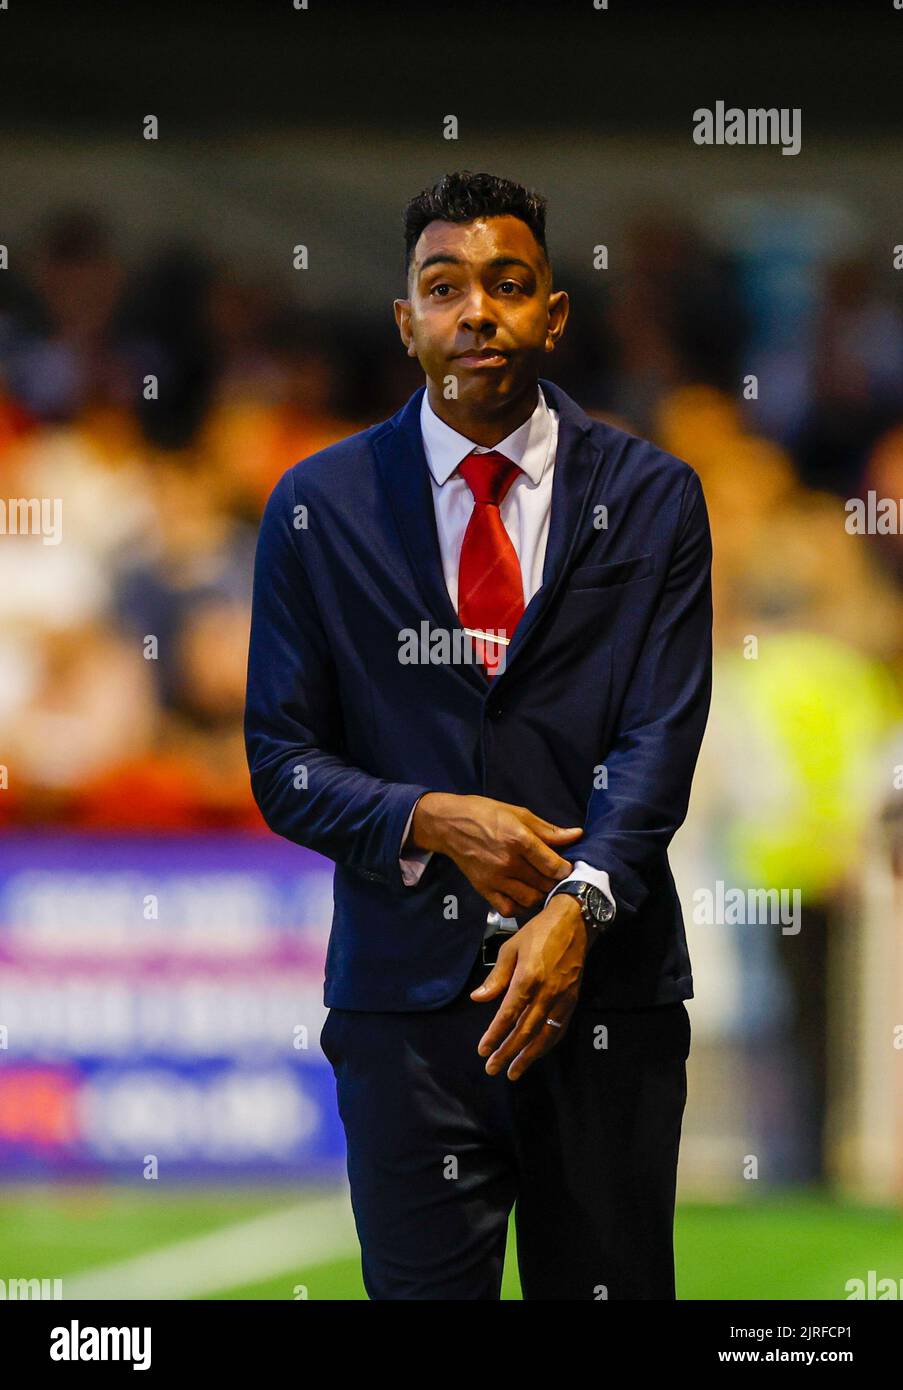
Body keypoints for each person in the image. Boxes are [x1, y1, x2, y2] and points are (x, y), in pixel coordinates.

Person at [244, 171, 713, 1300]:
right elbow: (282, 761)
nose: (477, 313)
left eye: (508, 284)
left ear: (554, 314)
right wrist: (428, 816)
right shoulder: (317, 506)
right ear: (405, 322)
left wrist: (578, 906)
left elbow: (660, 736)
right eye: (444, 287)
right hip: (405, 1016)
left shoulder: (654, 494)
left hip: (604, 1000)